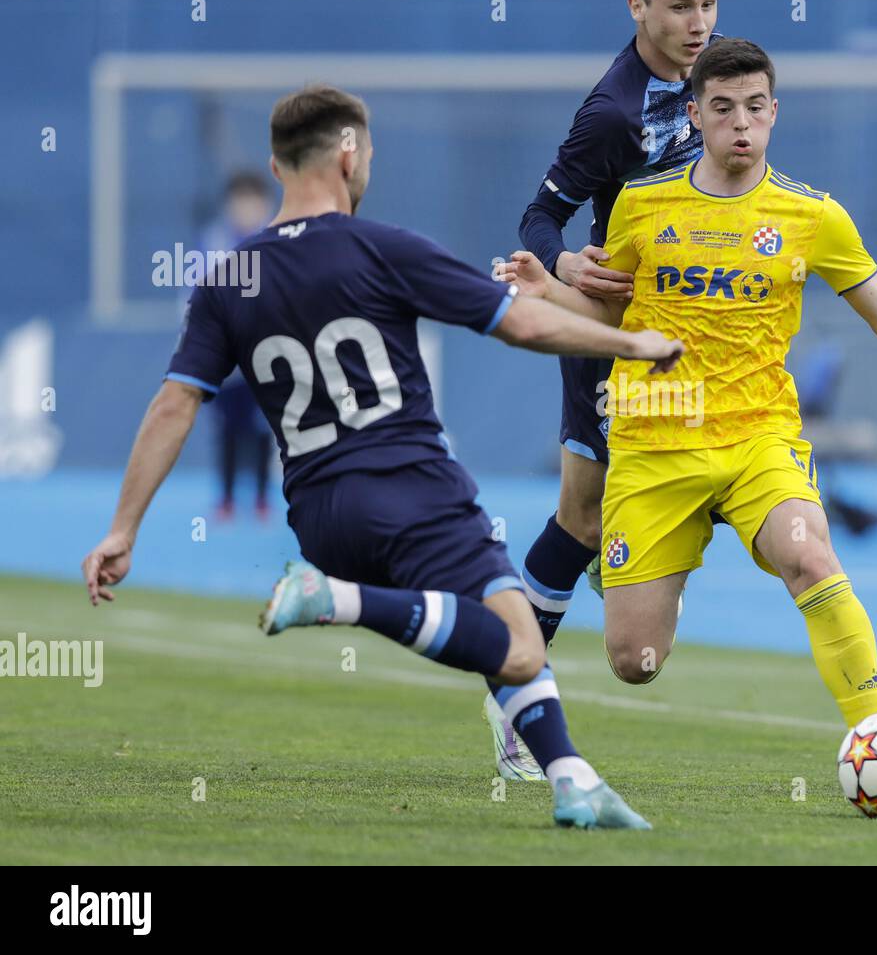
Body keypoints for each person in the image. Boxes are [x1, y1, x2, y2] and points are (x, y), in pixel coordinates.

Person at [80, 84, 684, 830]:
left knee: (505, 642)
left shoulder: (229, 277)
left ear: (275, 165)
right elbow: (522, 324)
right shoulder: (382, 247)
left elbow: (175, 402)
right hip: (413, 490)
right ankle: (334, 601)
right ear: (348, 153)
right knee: (521, 644)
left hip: (319, 515)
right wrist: (632, 342)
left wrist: (122, 529)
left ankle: (572, 778)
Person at [498, 39, 877, 732]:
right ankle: (668, 562)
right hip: (656, 440)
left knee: (810, 555)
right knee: (634, 660)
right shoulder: (640, 205)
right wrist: (544, 290)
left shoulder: (812, 216)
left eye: (755, 107)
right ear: (694, 115)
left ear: (775, 112)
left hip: (759, 437)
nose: (742, 124)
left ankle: (875, 735)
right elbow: (610, 312)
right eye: (723, 109)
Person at [497, 0, 720, 779]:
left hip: (699, 331)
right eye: (679, 6)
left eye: (707, 3)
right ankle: (513, 695)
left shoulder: (719, 81)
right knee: (581, 520)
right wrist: (560, 263)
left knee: (710, 482)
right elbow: (538, 216)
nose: (698, 23)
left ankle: (636, 559)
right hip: (613, 333)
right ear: (638, 8)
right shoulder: (613, 111)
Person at [200, 171, 276, 520]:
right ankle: (227, 499)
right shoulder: (215, 241)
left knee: (264, 429)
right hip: (228, 357)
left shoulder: (276, 238)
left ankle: (263, 498)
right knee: (228, 429)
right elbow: (199, 294)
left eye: (252, 201)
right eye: (239, 201)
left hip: (267, 354)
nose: (246, 208)